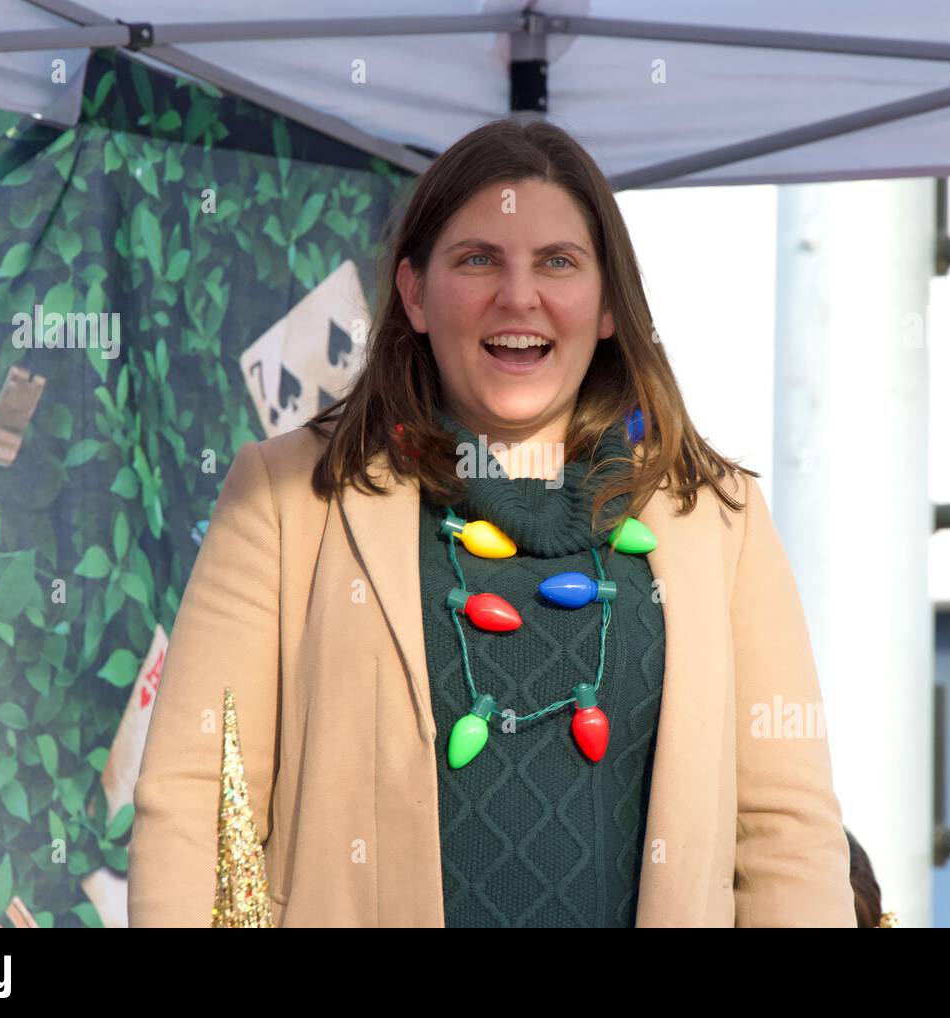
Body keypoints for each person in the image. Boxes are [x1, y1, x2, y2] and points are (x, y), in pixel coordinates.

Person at [128, 117, 856, 928]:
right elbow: (191, 802)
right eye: (478, 259)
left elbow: (788, 841)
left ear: (609, 302)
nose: (519, 296)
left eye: (559, 263)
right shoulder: (287, 496)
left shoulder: (721, 521)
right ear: (414, 294)